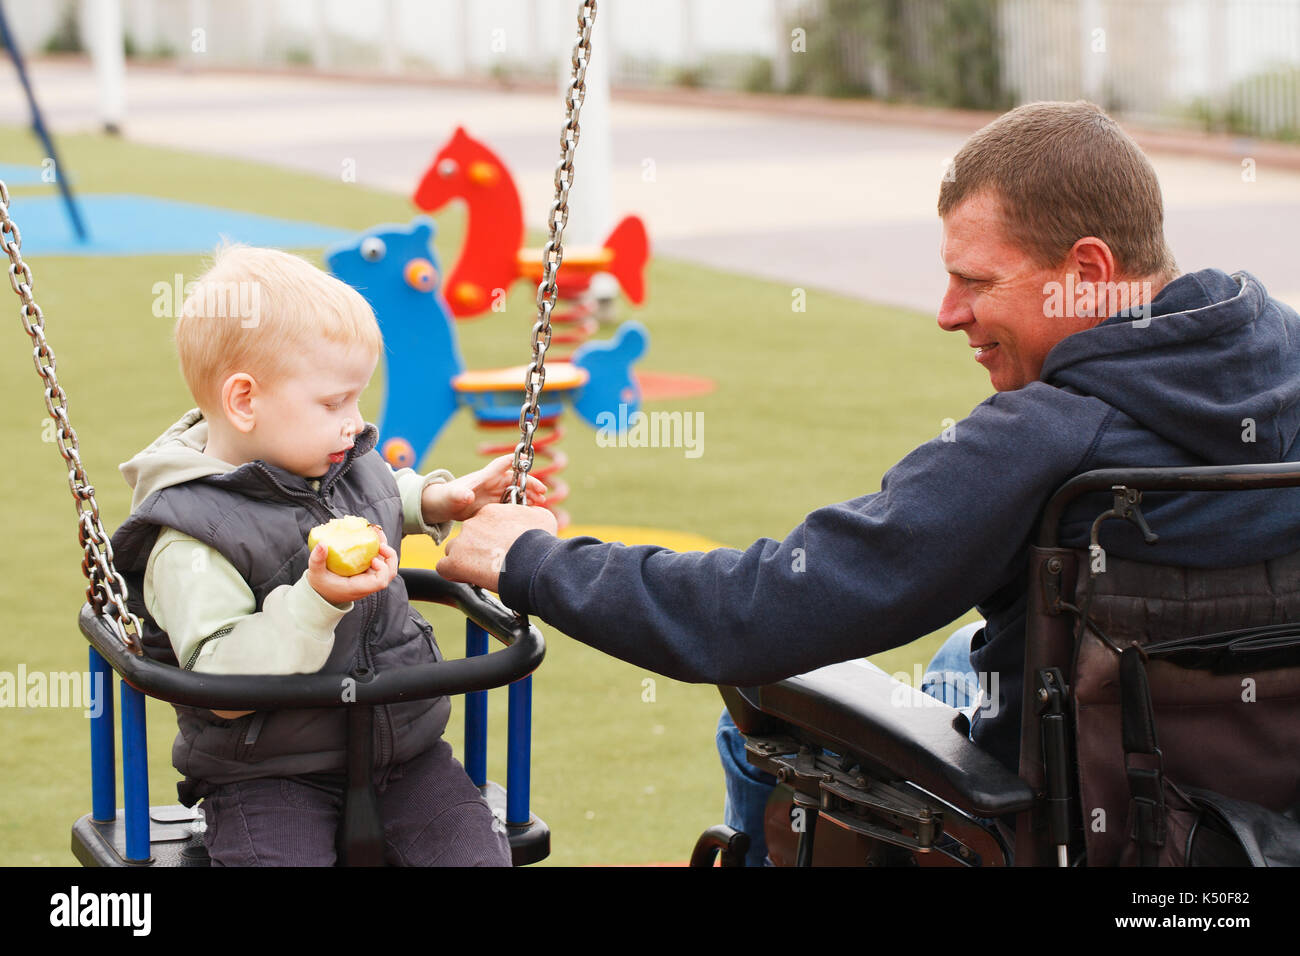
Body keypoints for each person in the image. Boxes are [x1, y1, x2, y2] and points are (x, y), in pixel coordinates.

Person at [436, 101, 1300, 862]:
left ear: (1087, 272)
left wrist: (538, 560)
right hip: (1258, 796)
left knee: (765, 718)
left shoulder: (1040, 440)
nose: (947, 312)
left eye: (975, 280)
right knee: (964, 656)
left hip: (1076, 814)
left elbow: (762, 610)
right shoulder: (1284, 356)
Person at [109, 244, 544, 866]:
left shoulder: (334, 462)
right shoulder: (190, 536)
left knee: (476, 859)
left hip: (406, 753)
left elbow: (384, 492)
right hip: (267, 774)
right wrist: (314, 603)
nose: (354, 423)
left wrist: (445, 498)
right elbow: (223, 683)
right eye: (333, 403)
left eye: (358, 399)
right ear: (245, 401)